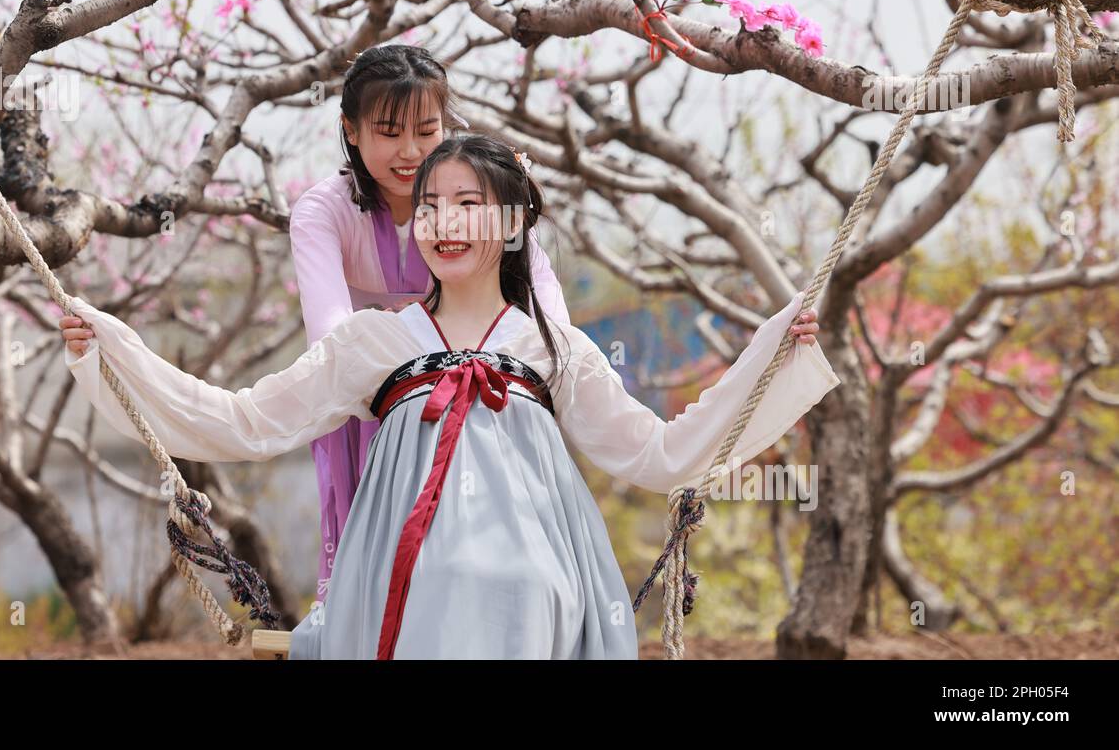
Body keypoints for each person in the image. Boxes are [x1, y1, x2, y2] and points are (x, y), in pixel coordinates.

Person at [60, 133, 839, 659]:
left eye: (469, 203)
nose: (444, 222)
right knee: (440, 590)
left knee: (518, 592)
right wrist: (116, 355)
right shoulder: (374, 341)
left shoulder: (554, 348)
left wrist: (771, 353)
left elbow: (661, 452)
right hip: (405, 585)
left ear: (512, 224)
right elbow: (244, 420)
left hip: (536, 584)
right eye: (430, 206)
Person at [287, 44, 570, 601]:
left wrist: (534, 372)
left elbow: (547, 310)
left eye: (426, 129)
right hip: (368, 401)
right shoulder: (324, 211)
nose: (410, 151)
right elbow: (332, 336)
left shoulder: (474, 196)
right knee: (370, 567)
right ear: (351, 129)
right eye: (388, 131)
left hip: (485, 395)